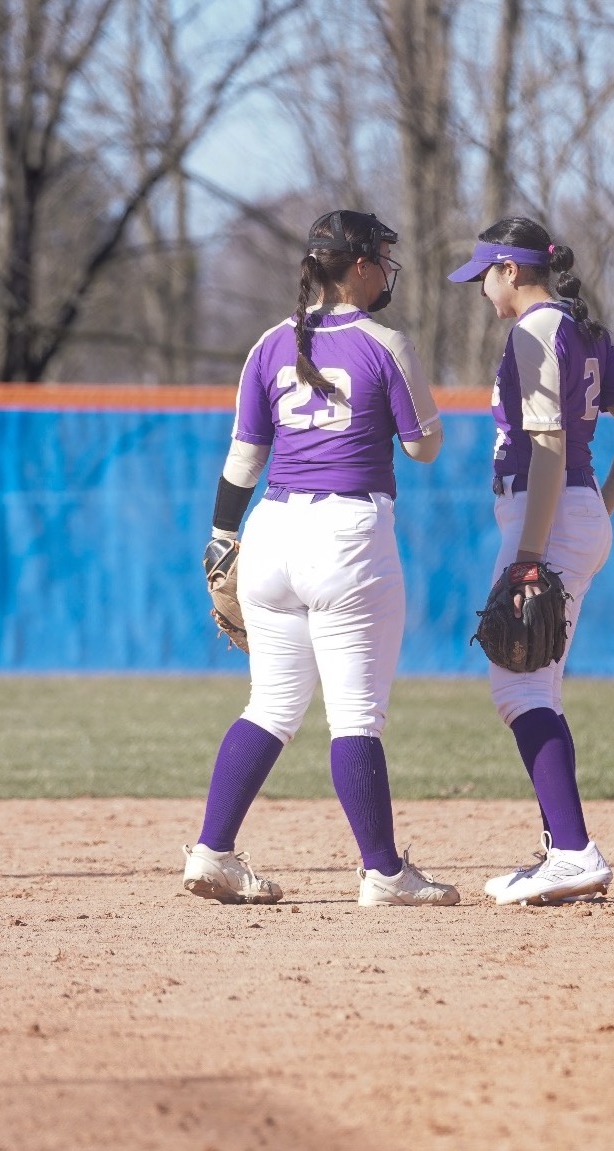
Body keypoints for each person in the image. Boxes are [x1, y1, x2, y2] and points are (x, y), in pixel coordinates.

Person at [182, 209, 459, 907]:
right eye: (382, 258)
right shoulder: (384, 343)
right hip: (347, 534)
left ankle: (212, 852)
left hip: (269, 530)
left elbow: (244, 458)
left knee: (270, 706)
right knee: (355, 716)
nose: (388, 270)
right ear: (358, 266)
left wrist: (221, 538)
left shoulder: (269, 343)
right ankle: (383, 873)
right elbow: (423, 448)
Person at [448, 217, 614, 905]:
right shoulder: (579, 327)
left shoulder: (535, 331)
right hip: (572, 510)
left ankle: (572, 851)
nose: (482, 288)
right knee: (536, 687)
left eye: (484, 275)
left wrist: (530, 557)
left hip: (546, 517)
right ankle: (561, 850)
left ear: (510, 270)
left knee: (519, 690)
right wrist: (596, 506)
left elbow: (546, 448)